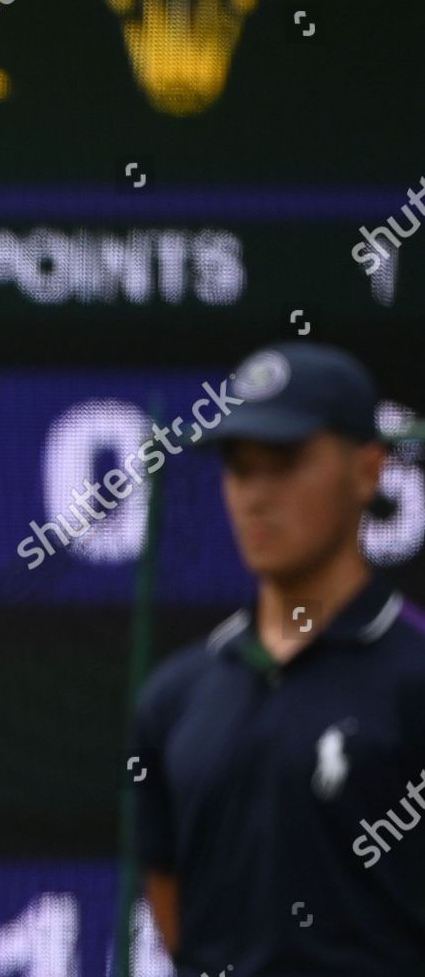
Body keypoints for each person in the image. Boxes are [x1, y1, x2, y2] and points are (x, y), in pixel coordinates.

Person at [132, 340, 425, 975]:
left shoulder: (413, 677)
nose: (256, 496)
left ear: (368, 470)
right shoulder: (174, 696)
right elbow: (169, 898)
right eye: (240, 468)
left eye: (285, 462)